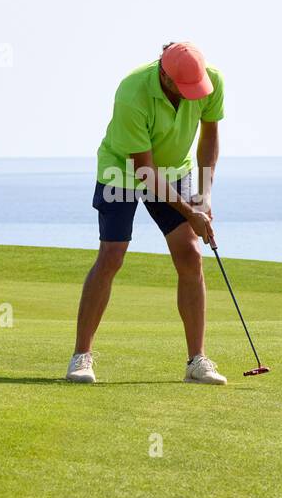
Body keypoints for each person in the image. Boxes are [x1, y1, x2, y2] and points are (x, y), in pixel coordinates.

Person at [66, 42, 227, 385]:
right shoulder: (132, 91)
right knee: (112, 255)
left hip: (175, 171)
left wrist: (204, 193)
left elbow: (209, 140)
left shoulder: (212, 82)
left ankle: (196, 361)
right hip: (122, 171)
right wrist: (190, 212)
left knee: (189, 254)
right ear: (164, 75)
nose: (189, 95)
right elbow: (144, 172)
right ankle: (81, 357)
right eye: (182, 89)